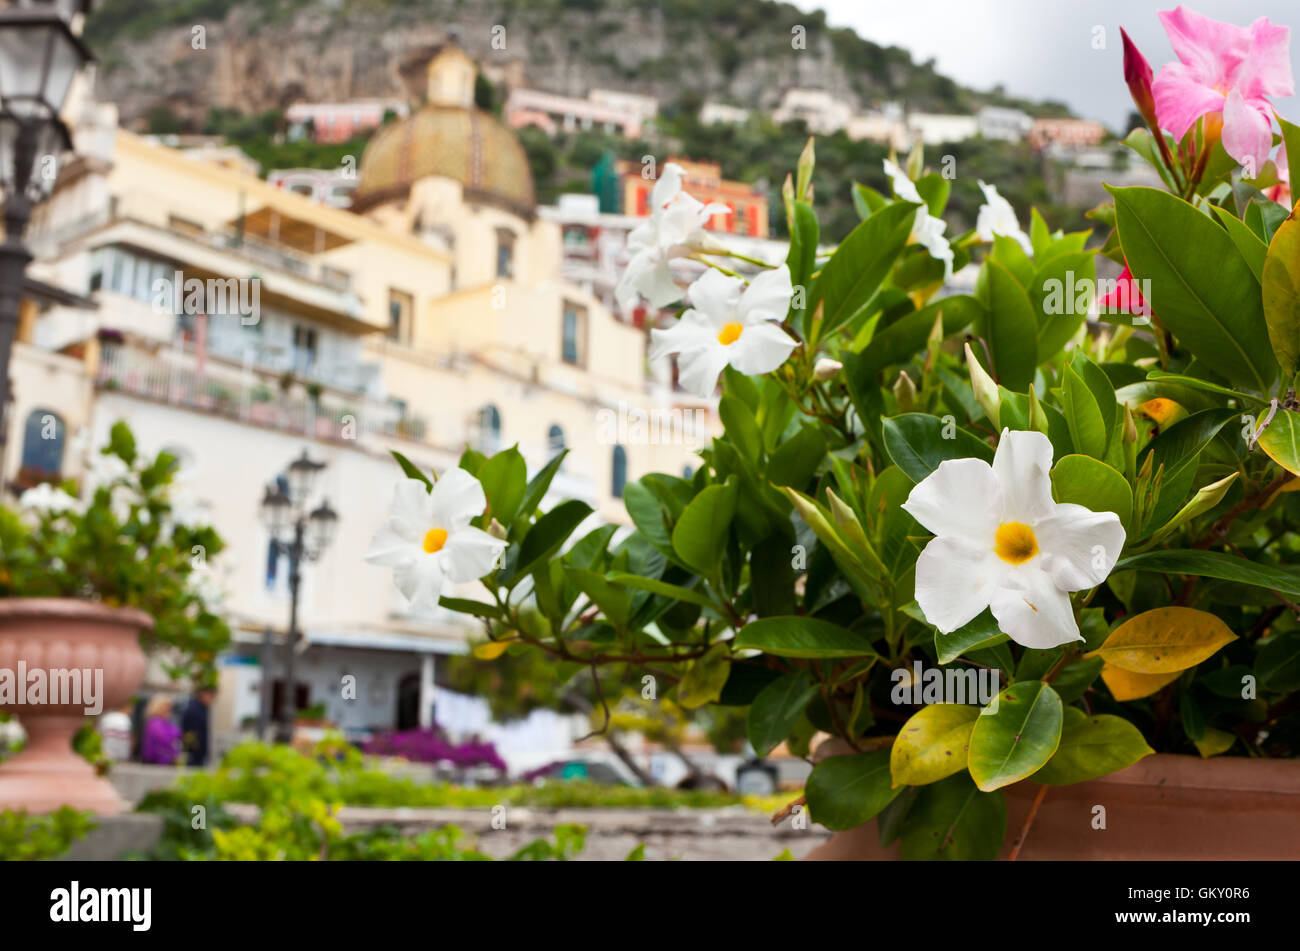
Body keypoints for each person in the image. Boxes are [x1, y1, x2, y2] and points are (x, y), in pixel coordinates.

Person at [140, 695, 181, 765]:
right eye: (166, 707)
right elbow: (165, 740)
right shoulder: (155, 723)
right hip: (155, 763)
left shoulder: (165, 723)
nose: (169, 711)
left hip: (162, 762)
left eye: (169, 708)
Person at [179, 686, 215, 767]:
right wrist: (197, 751)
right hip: (194, 755)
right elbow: (191, 735)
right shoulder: (194, 709)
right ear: (203, 694)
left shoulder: (201, 708)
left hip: (197, 754)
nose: (212, 699)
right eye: (211, 695)